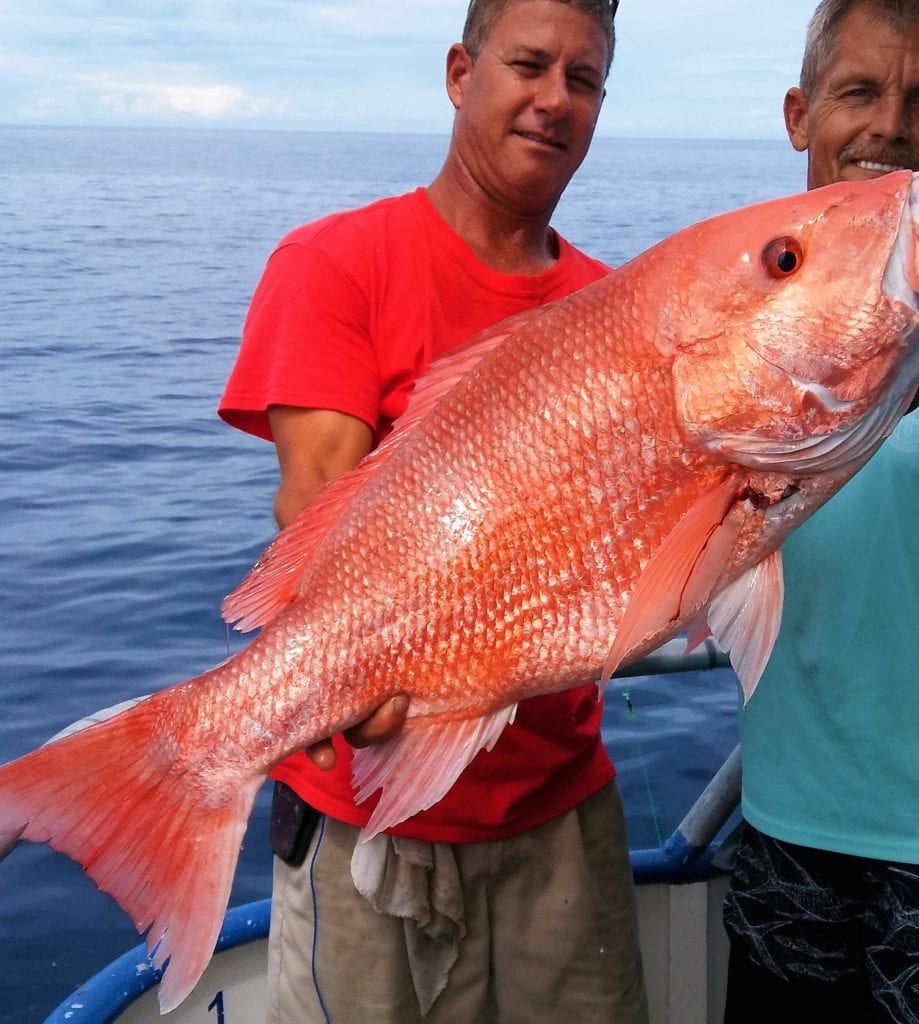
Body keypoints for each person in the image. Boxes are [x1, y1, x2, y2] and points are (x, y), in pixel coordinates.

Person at [219, 2, 649, 1022]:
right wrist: (339, 671)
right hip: (366, 828)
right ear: (460, 71)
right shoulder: (334, 263)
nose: (554, 100)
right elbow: (320, 503)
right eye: (529, 65)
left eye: (582, 80)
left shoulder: (614, 311)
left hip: (560, 821)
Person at [721, 1, 919, 1022]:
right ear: (799, 113)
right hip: (779, 831)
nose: (889, 124)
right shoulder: (729, 315)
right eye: (857, 91)